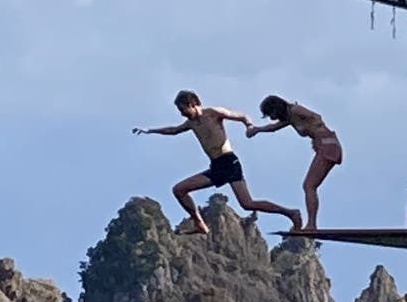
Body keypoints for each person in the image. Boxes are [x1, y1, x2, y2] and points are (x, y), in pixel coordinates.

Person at [133, 90, 302, 236]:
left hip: (229, 162)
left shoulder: (213, 113)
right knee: (179, 190)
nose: (182, 113)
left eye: (182, 109)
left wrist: (249, 126)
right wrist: (149, 131)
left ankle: (290, 213)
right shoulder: (190, 123)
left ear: (192, 103)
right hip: (216, 166)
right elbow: (173, 130)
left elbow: (241, 116)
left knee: (247, 204)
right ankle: (199, 224)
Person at [248, 95, 342, 233]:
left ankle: (311, 225)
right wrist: (256, 130)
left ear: (276, 108)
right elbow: (273, 127)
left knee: (309, 185)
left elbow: (317, 116)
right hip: (323, 145)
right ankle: (311, 224)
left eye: (271, 114)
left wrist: (312, 127)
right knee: (309, 186)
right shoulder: (290, 118)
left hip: (326, 143)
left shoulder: (295, 110)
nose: (272, 117)